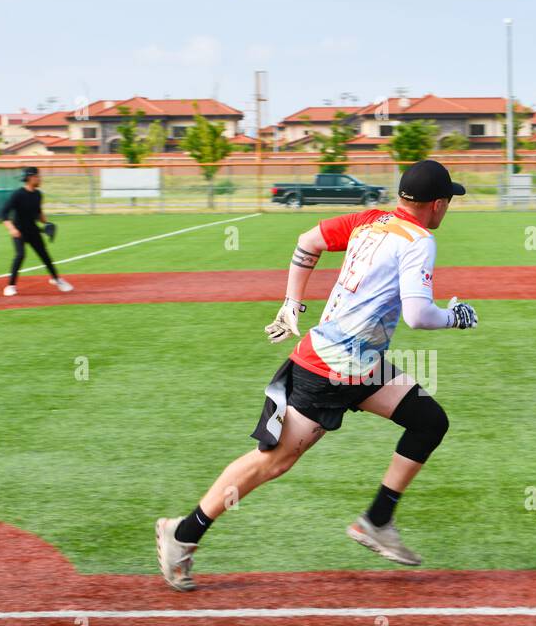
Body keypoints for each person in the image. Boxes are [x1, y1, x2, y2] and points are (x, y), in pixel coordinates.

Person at [154, 159, 479, 591]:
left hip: (358, 364)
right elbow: (419, 315)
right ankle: (182, 534)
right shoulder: (419, 240)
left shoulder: (371, 219)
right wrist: (455, 317)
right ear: (437, 205)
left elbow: (308, 240)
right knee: (273, 461)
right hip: (329, 367)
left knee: (428, 420)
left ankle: (377, 521)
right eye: (447, 202)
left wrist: (292, 302)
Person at [0, 166, 72, 295]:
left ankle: (57, 280)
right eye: (37, 176)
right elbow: (3, 213)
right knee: (20, 255)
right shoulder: (18, 194)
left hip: (33, 230)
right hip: (19, 231)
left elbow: (39, 214)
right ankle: (10, 286)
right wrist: (11, 229)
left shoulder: (38, 194)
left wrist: (48, 223)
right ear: (29, 178)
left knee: (44, 255)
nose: (40, 178)